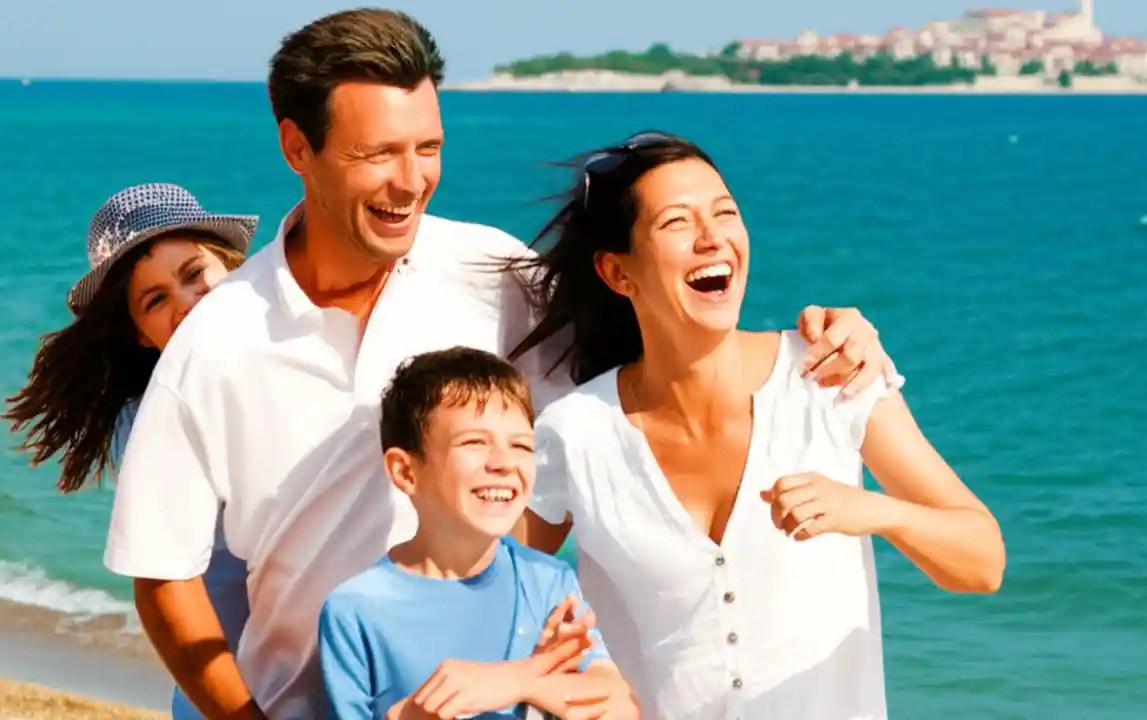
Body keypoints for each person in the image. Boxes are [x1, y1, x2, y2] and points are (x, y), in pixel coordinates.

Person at [101, 10, 895, 719]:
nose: (411, 181)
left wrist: (820, 338)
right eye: (379, 153)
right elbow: (164, 576)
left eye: (428, 147)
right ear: (297, 146)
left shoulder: (495, 274)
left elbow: (658, 350)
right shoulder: (215, 343)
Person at [513, 131, 1007, 719]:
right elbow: (492, 598)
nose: (712, 238)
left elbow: (983, 561)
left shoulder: (830, 374)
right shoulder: (576, 432)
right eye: (677, 223)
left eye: (726, 213)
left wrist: (872, 512)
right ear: (619, 274)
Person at [3, 182, 257, 720]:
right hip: (231, 698)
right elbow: (163, 589)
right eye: (156, 299)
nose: (186, 303)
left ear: (231, 267)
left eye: (194, 274)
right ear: (140, 333)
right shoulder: (151, 421)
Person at [318, 347, 637, 720]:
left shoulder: (547, 582)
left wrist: (518, 681)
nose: (502, 463)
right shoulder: (355, 610)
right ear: (406, 473)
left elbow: (620, 708)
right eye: (473, 443)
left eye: (521, 445)